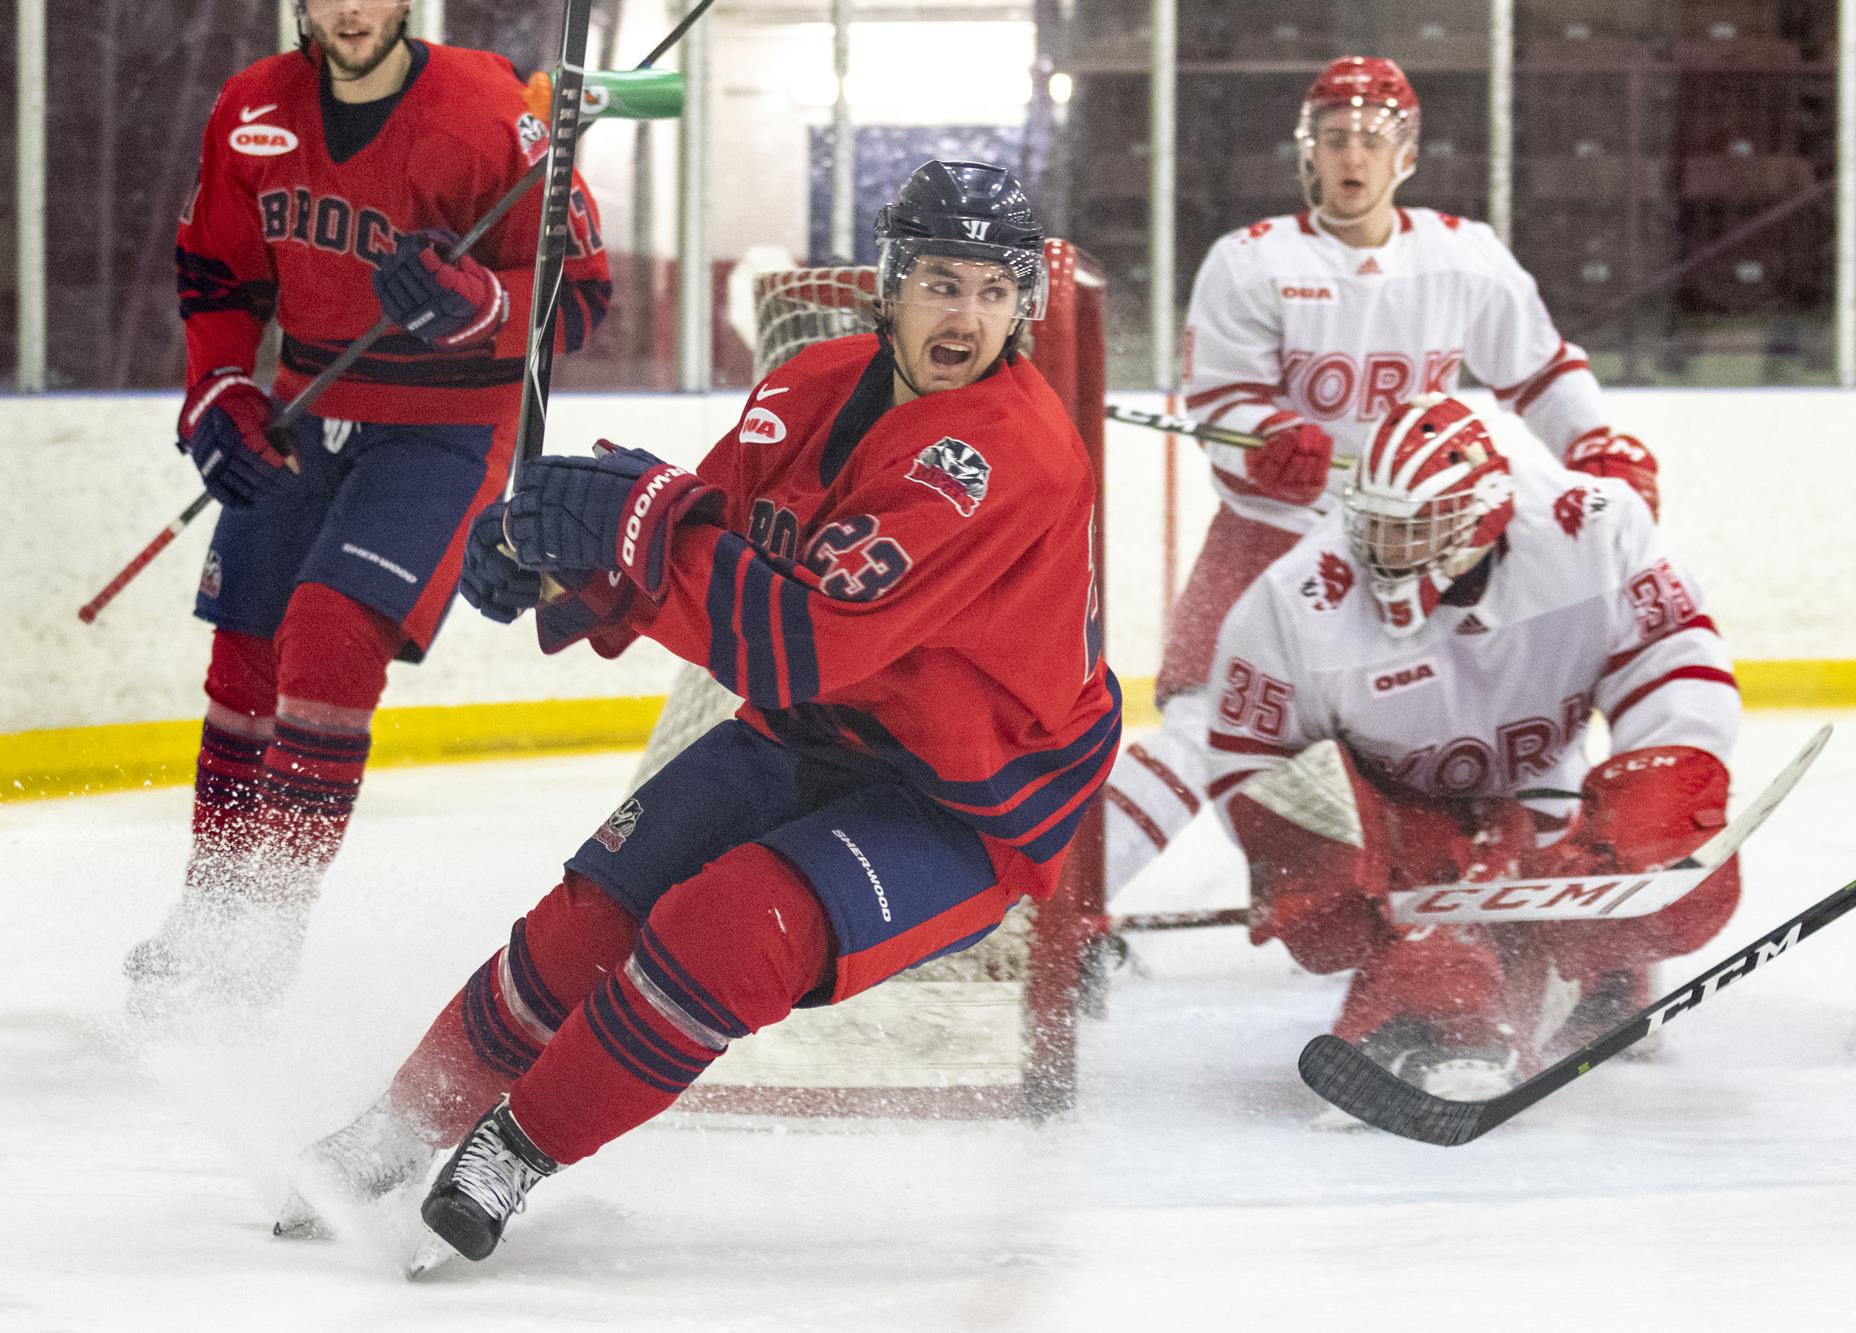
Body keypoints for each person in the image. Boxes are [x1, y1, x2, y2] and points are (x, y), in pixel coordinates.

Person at [275, 160, 1121, 1269]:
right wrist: (557, 567)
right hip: (810, 734)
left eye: (990, 290)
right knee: (580, 928)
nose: (964, 314)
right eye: (940, 283)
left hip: (962, 798)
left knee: (722, 930)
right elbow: (710, 523)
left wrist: (624, 530)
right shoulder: (812, 381)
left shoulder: (1004, 458)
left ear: (1022, 306)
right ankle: (396, 1130)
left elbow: (799, 639)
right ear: (889, 285)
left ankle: (513, 1151)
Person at [125, 0, 613, 1005]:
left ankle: (262, 943)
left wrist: (484, 306)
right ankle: (212, 912)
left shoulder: (489, 108)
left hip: (447, 426)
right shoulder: (252, 107)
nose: (351, 9)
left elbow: (584, 296)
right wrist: (219, 390)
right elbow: (217, 275)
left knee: (329, 637)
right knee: (243, 658)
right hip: (307, 405)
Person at [1103, 55, 1663, 896]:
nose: (1351, 158)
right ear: (1309, 152)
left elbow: (1540, 373)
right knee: (1202, 723)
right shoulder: (1251, 261)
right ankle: (1054, 907)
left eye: (1371, 138)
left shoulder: (1463, 256)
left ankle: (1565, 912)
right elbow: (1222, 400)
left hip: (1431, 544)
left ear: (1406, 154)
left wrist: (1595, 445)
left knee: (1518, 722)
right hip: (1278, 535)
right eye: (1334, 139)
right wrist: (1263, 437)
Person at [1205, 392, 1739, 1103]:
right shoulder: (1296, 599)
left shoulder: (1592, 527)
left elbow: (1675, 658)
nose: (1379, 551)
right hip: (1401, 820)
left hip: (1549, 795)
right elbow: (1251, 761)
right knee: (1432, 942)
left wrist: (1664, 784)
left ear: (1483, 517)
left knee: (1684, 871)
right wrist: (1319, 871)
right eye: (1375, 528)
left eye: (1413, 531)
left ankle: (1587, 969)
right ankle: (1437, 1010)